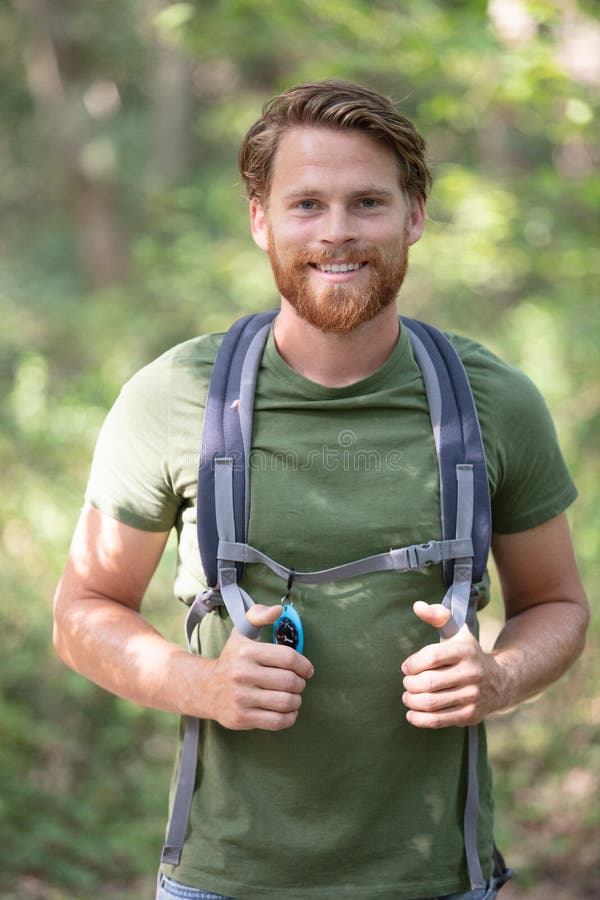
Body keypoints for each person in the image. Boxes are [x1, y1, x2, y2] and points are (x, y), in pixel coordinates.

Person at [53, 80, 589, 900]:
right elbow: (82, 611)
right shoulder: (175, 398)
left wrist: (501, 676)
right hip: (222, 881)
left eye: (367, 202)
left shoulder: (493, 401)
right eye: (307, 204)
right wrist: (203, 685)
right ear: (261, 220)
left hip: (438, 878)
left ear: (414, 216)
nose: (337, 231)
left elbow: (557, 603)